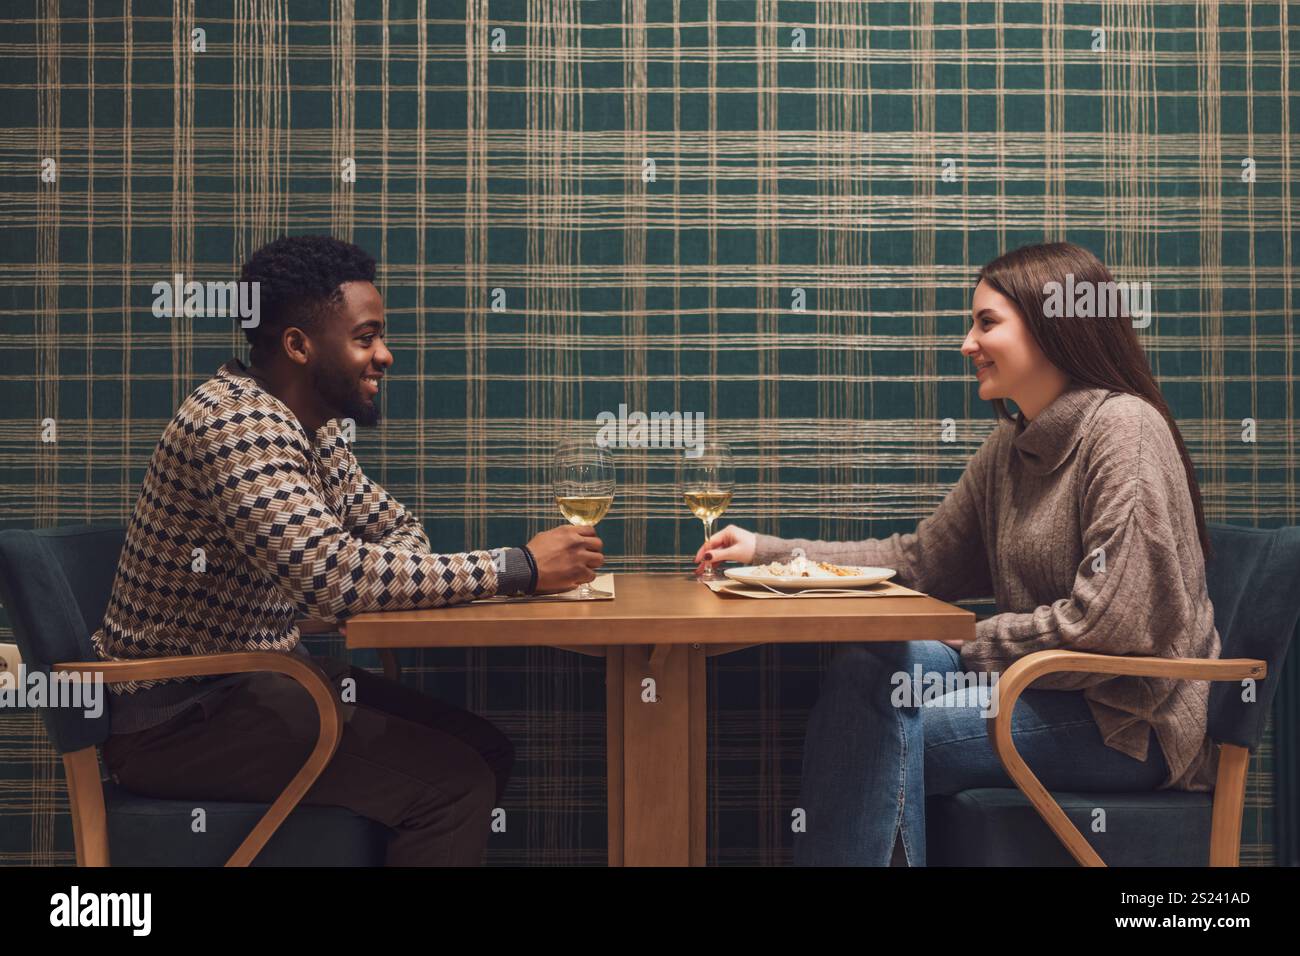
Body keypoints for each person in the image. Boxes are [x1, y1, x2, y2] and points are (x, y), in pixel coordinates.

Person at [694, 242, 1221, 866]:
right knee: (872, 665)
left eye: (986, 322)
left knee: (887, 726)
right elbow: (919, 562)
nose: (967, 344)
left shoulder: (1123, 433)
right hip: (1041, 685)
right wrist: (770, 551)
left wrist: (968, 644)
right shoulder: (1013, 446)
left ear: (1056, 326)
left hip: (1126, 719)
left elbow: (1115, 627)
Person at [93, 234, 605, 865]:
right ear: (298, 345)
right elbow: (336, 579)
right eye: (366, 337)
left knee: (483, 747)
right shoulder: (236, 425)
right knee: (454, 787)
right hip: (180, 718)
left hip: (262, 682)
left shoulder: (315, 426)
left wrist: (362, 572)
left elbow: (396, 533)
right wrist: (518, 567)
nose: (384, 355)